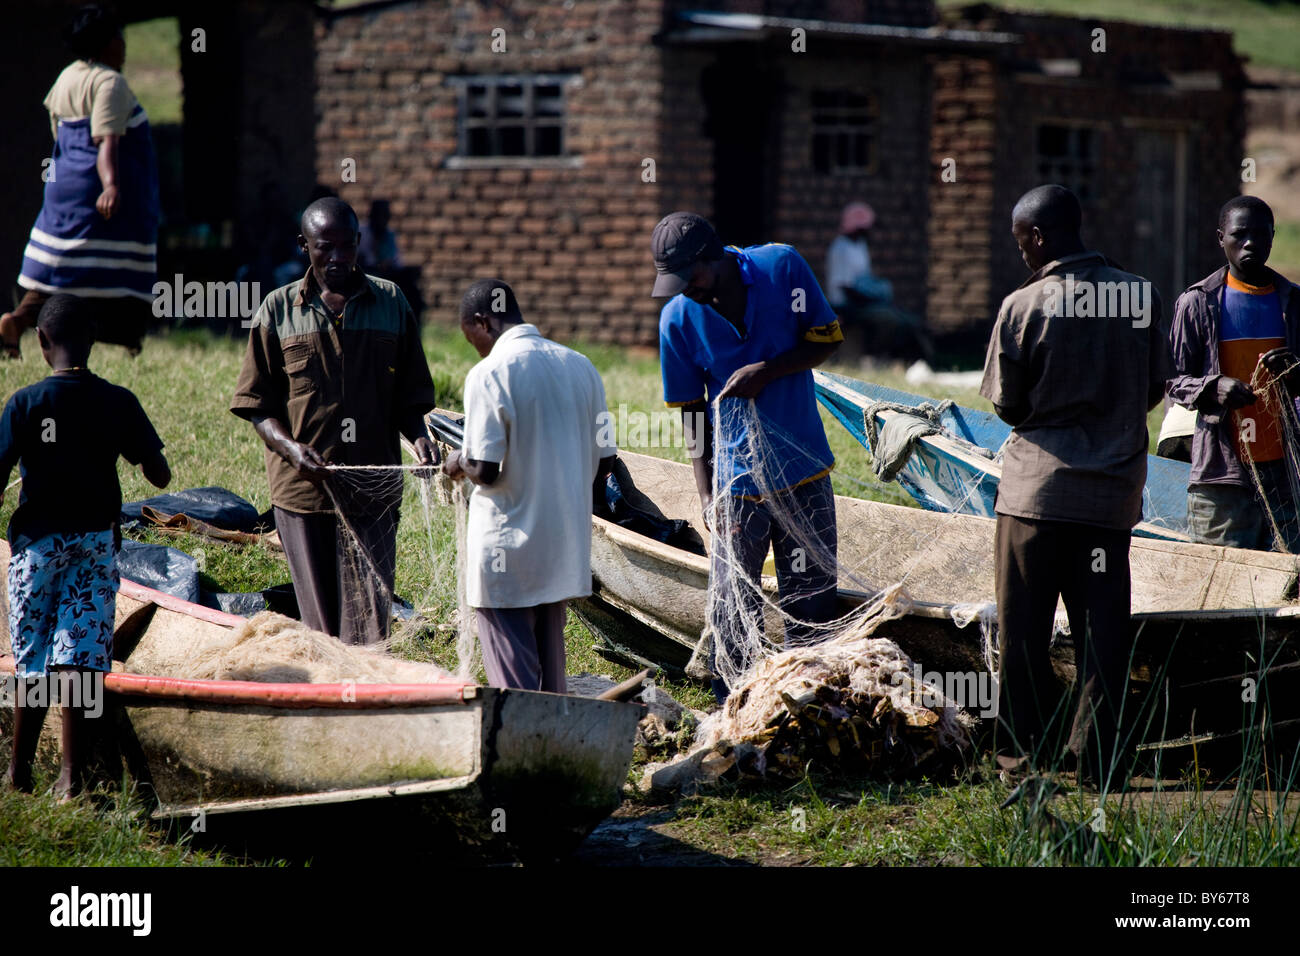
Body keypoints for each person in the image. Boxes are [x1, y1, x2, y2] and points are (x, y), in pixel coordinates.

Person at [980, 184, 1171, 786]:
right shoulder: (1139, 296)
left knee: (1023, 636)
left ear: (1038, 237)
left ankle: (1018, 759)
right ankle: (1096, 761)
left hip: (1035, 500)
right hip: (1108, 502)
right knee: (1102, 639)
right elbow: (1152, 389)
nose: (1021, 255)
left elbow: (1009, 406)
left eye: (1021, 243)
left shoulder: (1023, 306)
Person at [650, 212, 842, 705]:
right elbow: (693, 412)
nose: (683, 290)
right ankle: (733, 711)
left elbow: (826, 339)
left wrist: (768, 370)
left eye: (688, 277)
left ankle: (811, 705)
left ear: (712, 257)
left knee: (812, 599)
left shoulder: (782, 268)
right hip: (736, 482)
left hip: (802, 469)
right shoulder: (678, 317)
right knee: (734, 607)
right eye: (672, 283)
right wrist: (706, 491)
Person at [230, 197, 439, 645]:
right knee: (320, 630)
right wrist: (290, 449)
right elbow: (257, 404)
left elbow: (410, 398)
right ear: (304, 246)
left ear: (360, 244)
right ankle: (328, 706)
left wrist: (419, 437)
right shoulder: (276, 310)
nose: (339, 257)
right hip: (302, 493)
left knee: (369, 629)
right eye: (326, 247)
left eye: (348, 246)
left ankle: (365, 705)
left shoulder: (390, 302)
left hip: (373, 487)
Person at [1, 294, 170, 797]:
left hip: (36, 548)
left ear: (40, 340)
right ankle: (72, 779)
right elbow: (159, 474)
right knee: (79, 656)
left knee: (32, 656)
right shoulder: (118, 401)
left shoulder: (26, 403)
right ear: (94, 343)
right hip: (95, 544)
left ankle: (18, 773)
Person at [444, 279, 615, 692]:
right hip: (561, 544)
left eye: (475, 340)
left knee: (516, 684)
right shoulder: (581, 366)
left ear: (483, 322)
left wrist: (456, 461)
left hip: (507, 549)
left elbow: (483, 469)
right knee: (551, 678)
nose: (478, 350)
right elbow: (607, 459)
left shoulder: (489, 373)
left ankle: (525, 750)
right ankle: (555, 749)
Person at [1, 4, 160, 358]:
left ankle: (20, 319)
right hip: (100, 189)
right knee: (120, 271)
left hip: (63, 187)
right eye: (119, 36)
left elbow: (60, 134)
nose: (124, 44)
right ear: (105, 44)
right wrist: (111, 186)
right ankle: (129, 340)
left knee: (63, 266)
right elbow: (107, 141)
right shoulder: (109, 82)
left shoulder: (67, 77)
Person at [1168, 196, 1300, 552]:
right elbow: (1172, 380)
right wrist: (1214, 387)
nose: (1250, 243)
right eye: (1239, 234)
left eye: (1260, 234)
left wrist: (1294, 372)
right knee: (1220, 581)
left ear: (1273, 237)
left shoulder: (1294, 302)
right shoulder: (1198, 302)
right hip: (1221, 476)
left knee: (1291, 590)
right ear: (1220, 238)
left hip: (1287, 475)